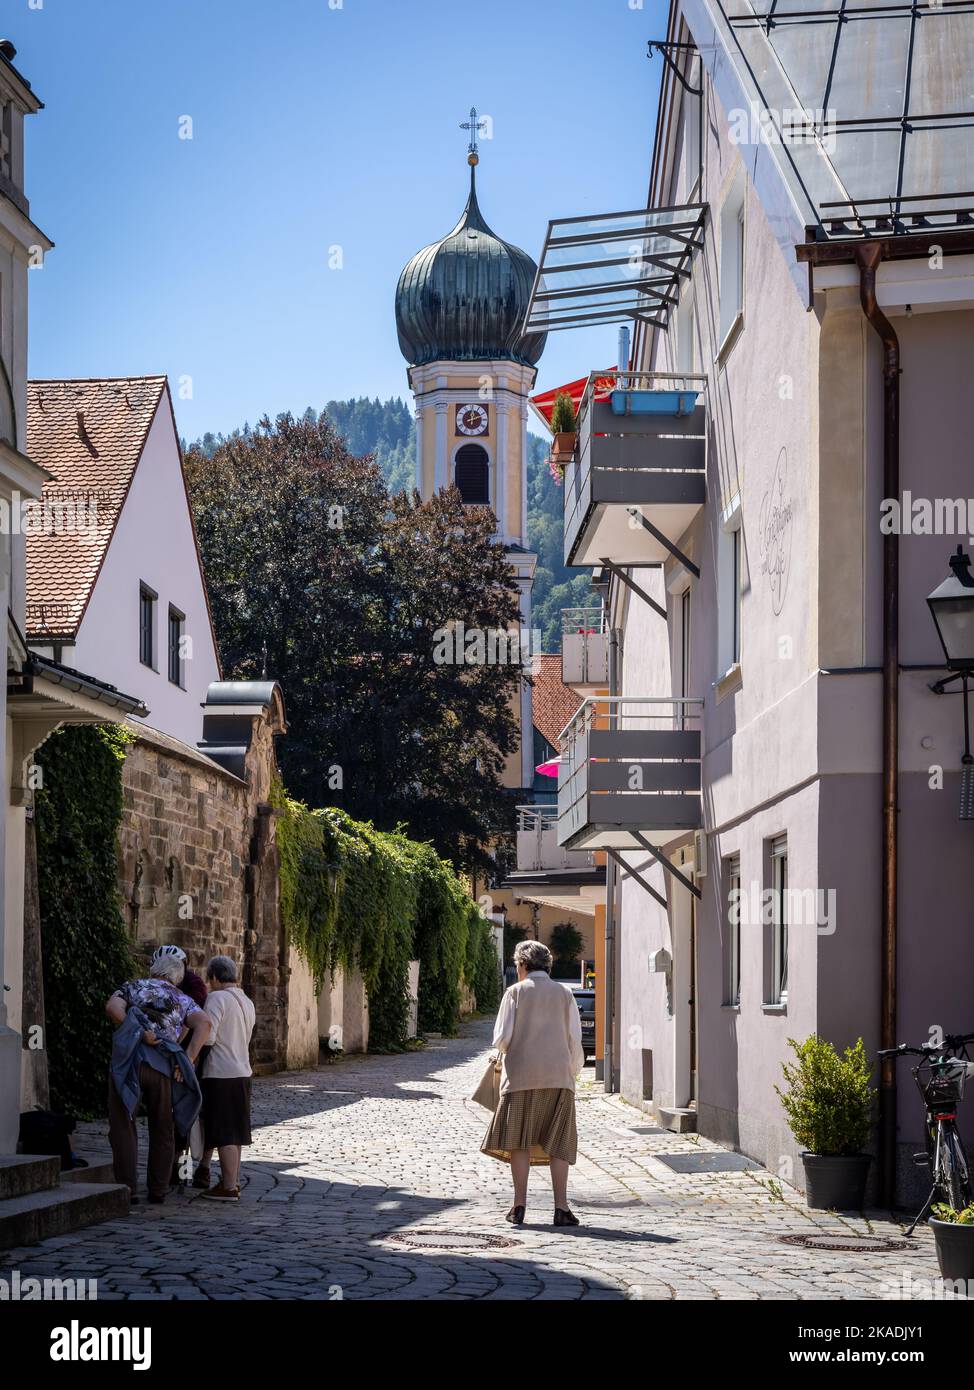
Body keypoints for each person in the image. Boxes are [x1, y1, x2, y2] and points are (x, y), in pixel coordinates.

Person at [481, 939, 585, 1227]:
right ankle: (561, 1208)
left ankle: (519, 1206)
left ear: (523, 965)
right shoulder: (565, 994)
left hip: (522, 1078)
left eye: (517, 965)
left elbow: (502, 1038)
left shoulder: (515, 993)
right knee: (559, 1144)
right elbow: (574, 1039)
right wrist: (571, 1073)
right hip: (558, 1077)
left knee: (519, 1142)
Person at [106, 952, 210, 1204]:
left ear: (155, 971)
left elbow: (112, 1007)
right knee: (163, 1127)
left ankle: (127, 1187)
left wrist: (140, 1032)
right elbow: (204, 1024)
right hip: (163, 1067)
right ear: (176, 978)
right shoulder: (183, 999)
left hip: (131, 1062)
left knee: (123, 1124)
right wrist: (189, 1058)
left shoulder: (134, 986)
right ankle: (158, 1189)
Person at [195, 955, 256, 1203]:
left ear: (215, 977)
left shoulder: (216, 998)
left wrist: (193, 1060)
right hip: (243, 1071)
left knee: (224, 1130)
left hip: (220, 1072)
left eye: (209, 980)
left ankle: (229, 1186)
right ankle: (233, 1180)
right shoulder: (247, 1001)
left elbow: (207, 1036)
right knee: (235, 1130)